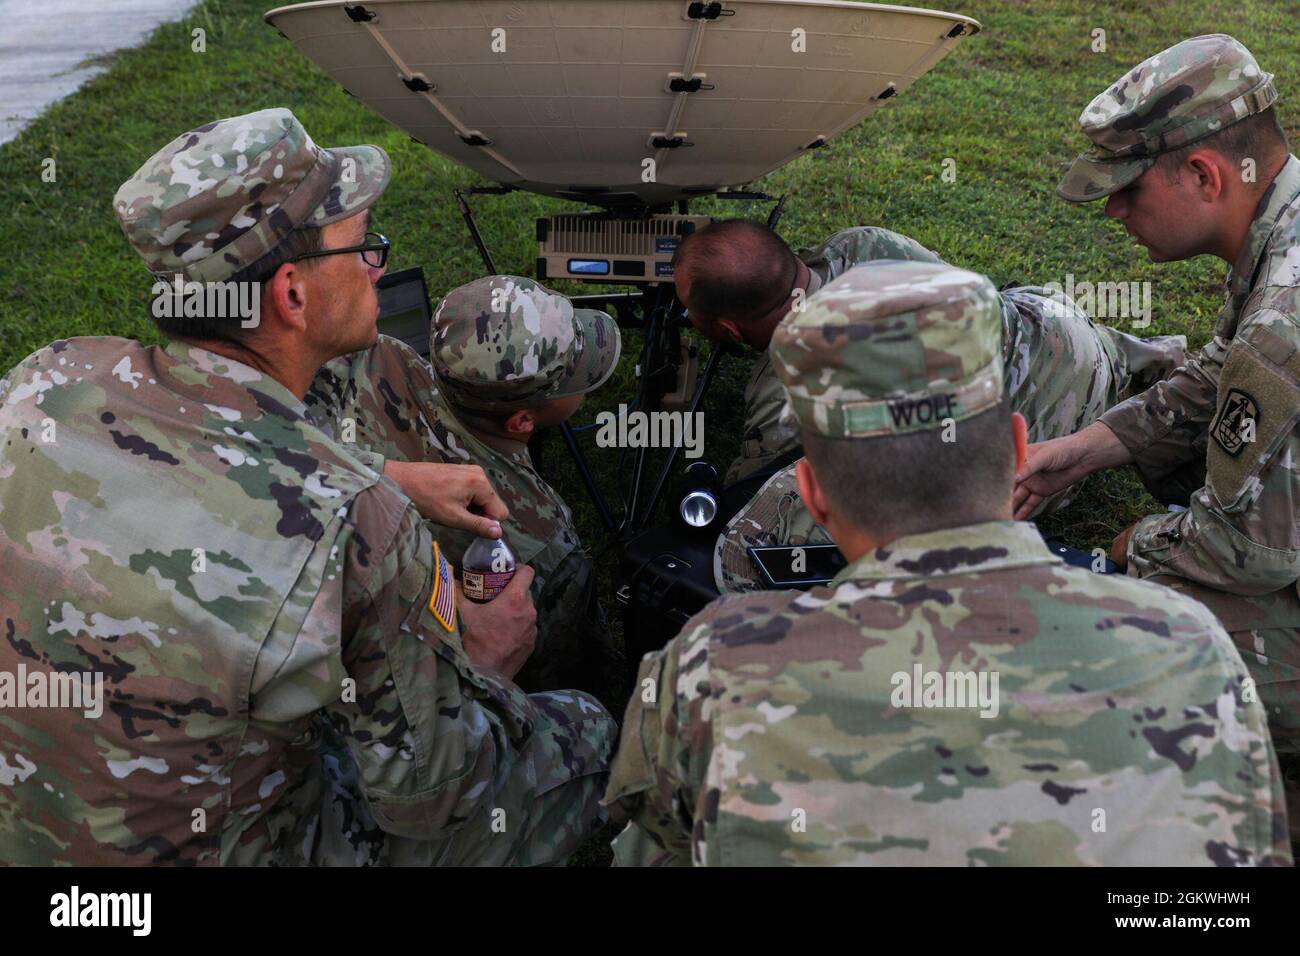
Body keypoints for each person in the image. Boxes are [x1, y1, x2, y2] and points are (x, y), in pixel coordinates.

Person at [0, 108, 614, 866]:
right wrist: (483, 665)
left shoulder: (47, 381)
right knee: (583, 731)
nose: (377, 268)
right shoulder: (358, 523)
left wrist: (384, 472)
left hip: (33, 818)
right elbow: (431, 791)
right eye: (363, 249)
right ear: (291, 295)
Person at [603, 260, 1292, 866]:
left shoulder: (706, 669)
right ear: (1022, 447)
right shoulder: (1190, 642)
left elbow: (649, 813)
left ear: (810, 492)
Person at [1012, 33, 1300, 846]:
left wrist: (1138, 547)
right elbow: (1215, 372)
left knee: (1131, 636)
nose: (1111, 210)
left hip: (1271, 548)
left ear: (1205, 175)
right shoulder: (1282, 225)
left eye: (1127, 189)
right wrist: (1095, 444)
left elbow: (1253, 556)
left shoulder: (1284, 318)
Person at [672, 221, 1185, 486]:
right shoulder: (863, 244)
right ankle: (1146, 361)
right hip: (1062, 332)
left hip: (1043, 451)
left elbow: (747, 498)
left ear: (728, 329)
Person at [306, 276, 623, 697]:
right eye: (575, 378)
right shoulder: (538, 538)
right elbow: (565, 663)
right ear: (522, 422)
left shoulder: (381, 356)